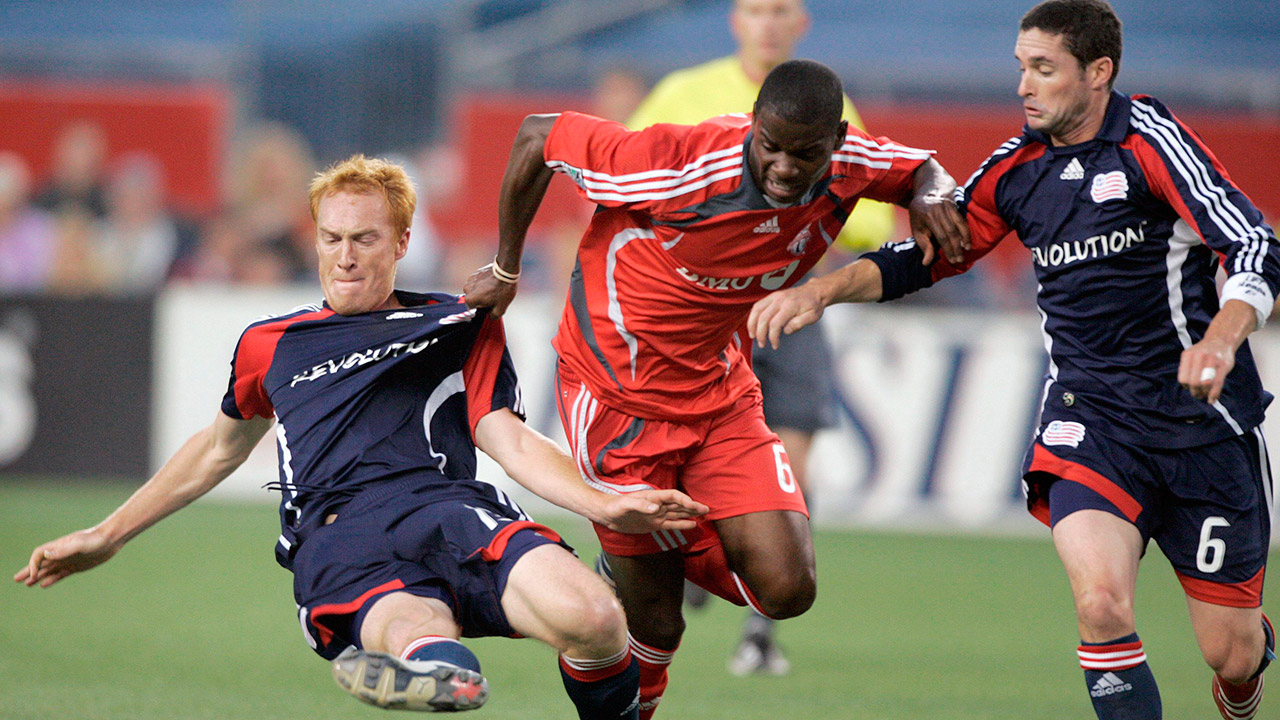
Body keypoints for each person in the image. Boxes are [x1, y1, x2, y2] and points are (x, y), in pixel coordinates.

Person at [14, 155, 708, 719]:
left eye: (365, 239)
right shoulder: (271, 344)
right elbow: (217, 449)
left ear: (403, 243)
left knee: (596, 619)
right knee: (429, 652)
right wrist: (109, 534)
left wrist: (603, 502)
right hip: (342, 536)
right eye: (331, 238)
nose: (344, 258)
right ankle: (428, 671)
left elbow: (510, 440)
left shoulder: (459, 322)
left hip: (450, 509)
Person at [748, 3, 1278, 719]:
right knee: (1099, 600)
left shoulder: (1152, 144)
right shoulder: (1017, 168)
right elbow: (931, 256)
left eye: (1043, 69)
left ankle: (1244, 679)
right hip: (1090, 420)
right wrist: (823, 292)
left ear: (1099, 73)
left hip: (1202, 427)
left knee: (1231, 654)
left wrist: (1224, 336)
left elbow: (1252, 244)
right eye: (1020, 67)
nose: (1024, 86)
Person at [464, 59, 968, 719]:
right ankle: (638, 592)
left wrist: (933, 193)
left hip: (720, 392)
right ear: (752, 126)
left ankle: (647, 563)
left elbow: (924, 168)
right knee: (658, 626)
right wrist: (505, 265)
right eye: (771, 146)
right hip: (617, 399)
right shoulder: (677, 164)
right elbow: (537, 134)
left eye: (806, 153)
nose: (785, 166)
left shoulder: (852, 164)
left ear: (838, 141)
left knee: (789, 588)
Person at [624, 0, 898, 676]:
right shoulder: (683, 93)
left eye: (782, 11)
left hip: (786, 312)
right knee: (674, 453)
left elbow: (872, 218)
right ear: (735, 20)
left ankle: (758, 632)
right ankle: (685, 561)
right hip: (695, 321)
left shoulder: (832, 107)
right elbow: (625, 189)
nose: (768, 23)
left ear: (799, 25)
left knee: (791, 464)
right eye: (757, 10)